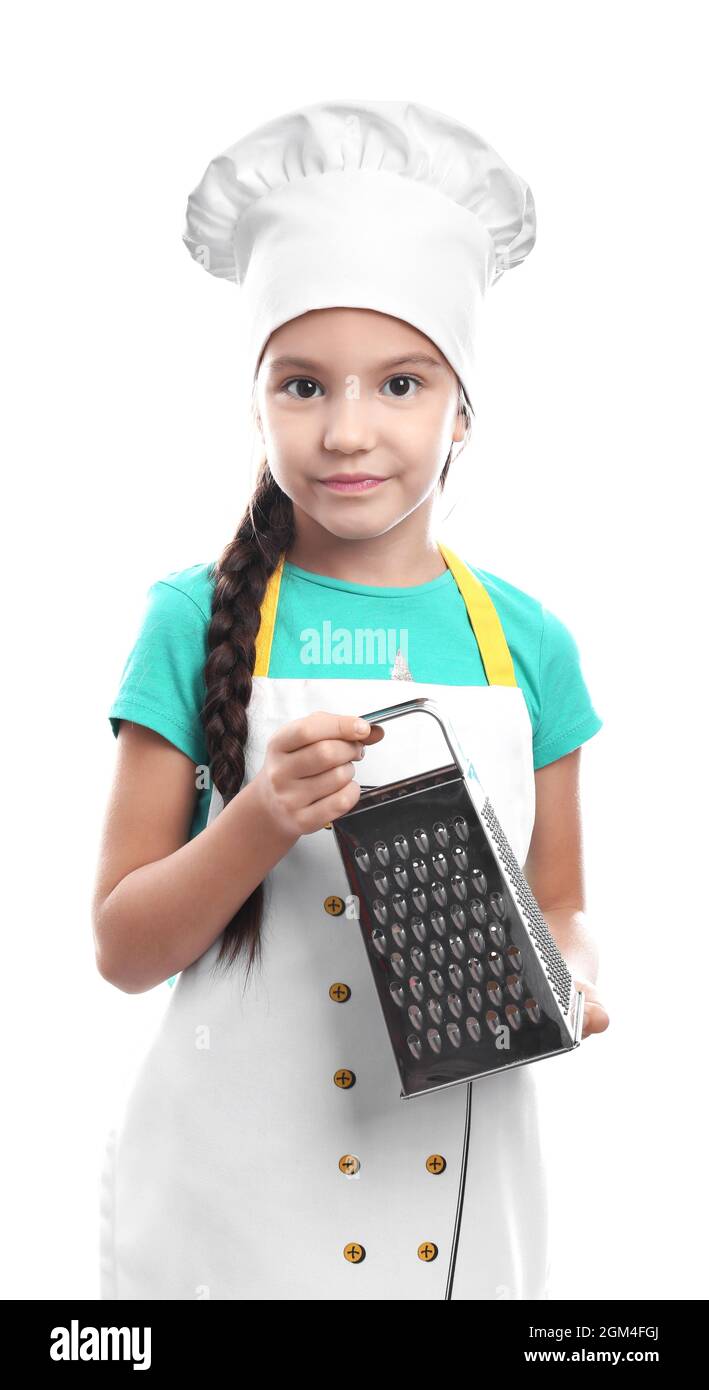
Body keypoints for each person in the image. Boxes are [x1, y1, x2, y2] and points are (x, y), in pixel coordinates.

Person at [93, 99, 609, 1302]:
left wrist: (568, 980)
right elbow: (123, 947)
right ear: (257, 402)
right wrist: (260, 817)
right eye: (303, 385)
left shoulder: (527, 641)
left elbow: (566, 903)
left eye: (400, 382)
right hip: (227, 1204)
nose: (348, 431)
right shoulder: (189, 615)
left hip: (464, 1198)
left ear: (462, 409)